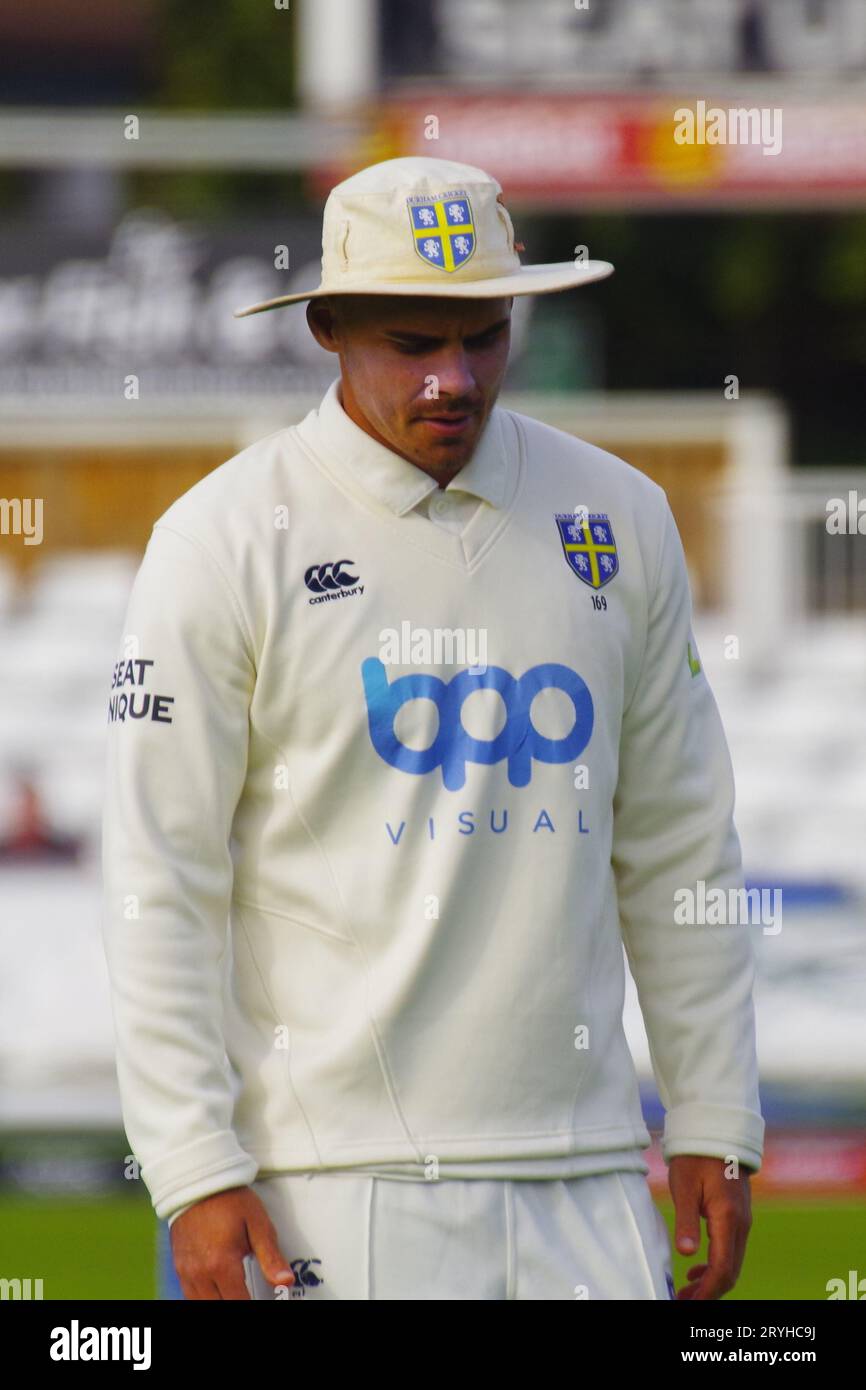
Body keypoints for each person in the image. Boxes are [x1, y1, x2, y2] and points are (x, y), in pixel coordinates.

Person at [101, 156, 763, 1301]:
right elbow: (159, 880)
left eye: (483, 336)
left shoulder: (619, 516)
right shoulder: (221, 539)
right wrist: (193, 1167)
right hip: (325, 1183)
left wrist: (710, 1109)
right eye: (413, 344)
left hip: (588, 1179)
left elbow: (675, 845)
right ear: (329, 329)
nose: (454, 379)